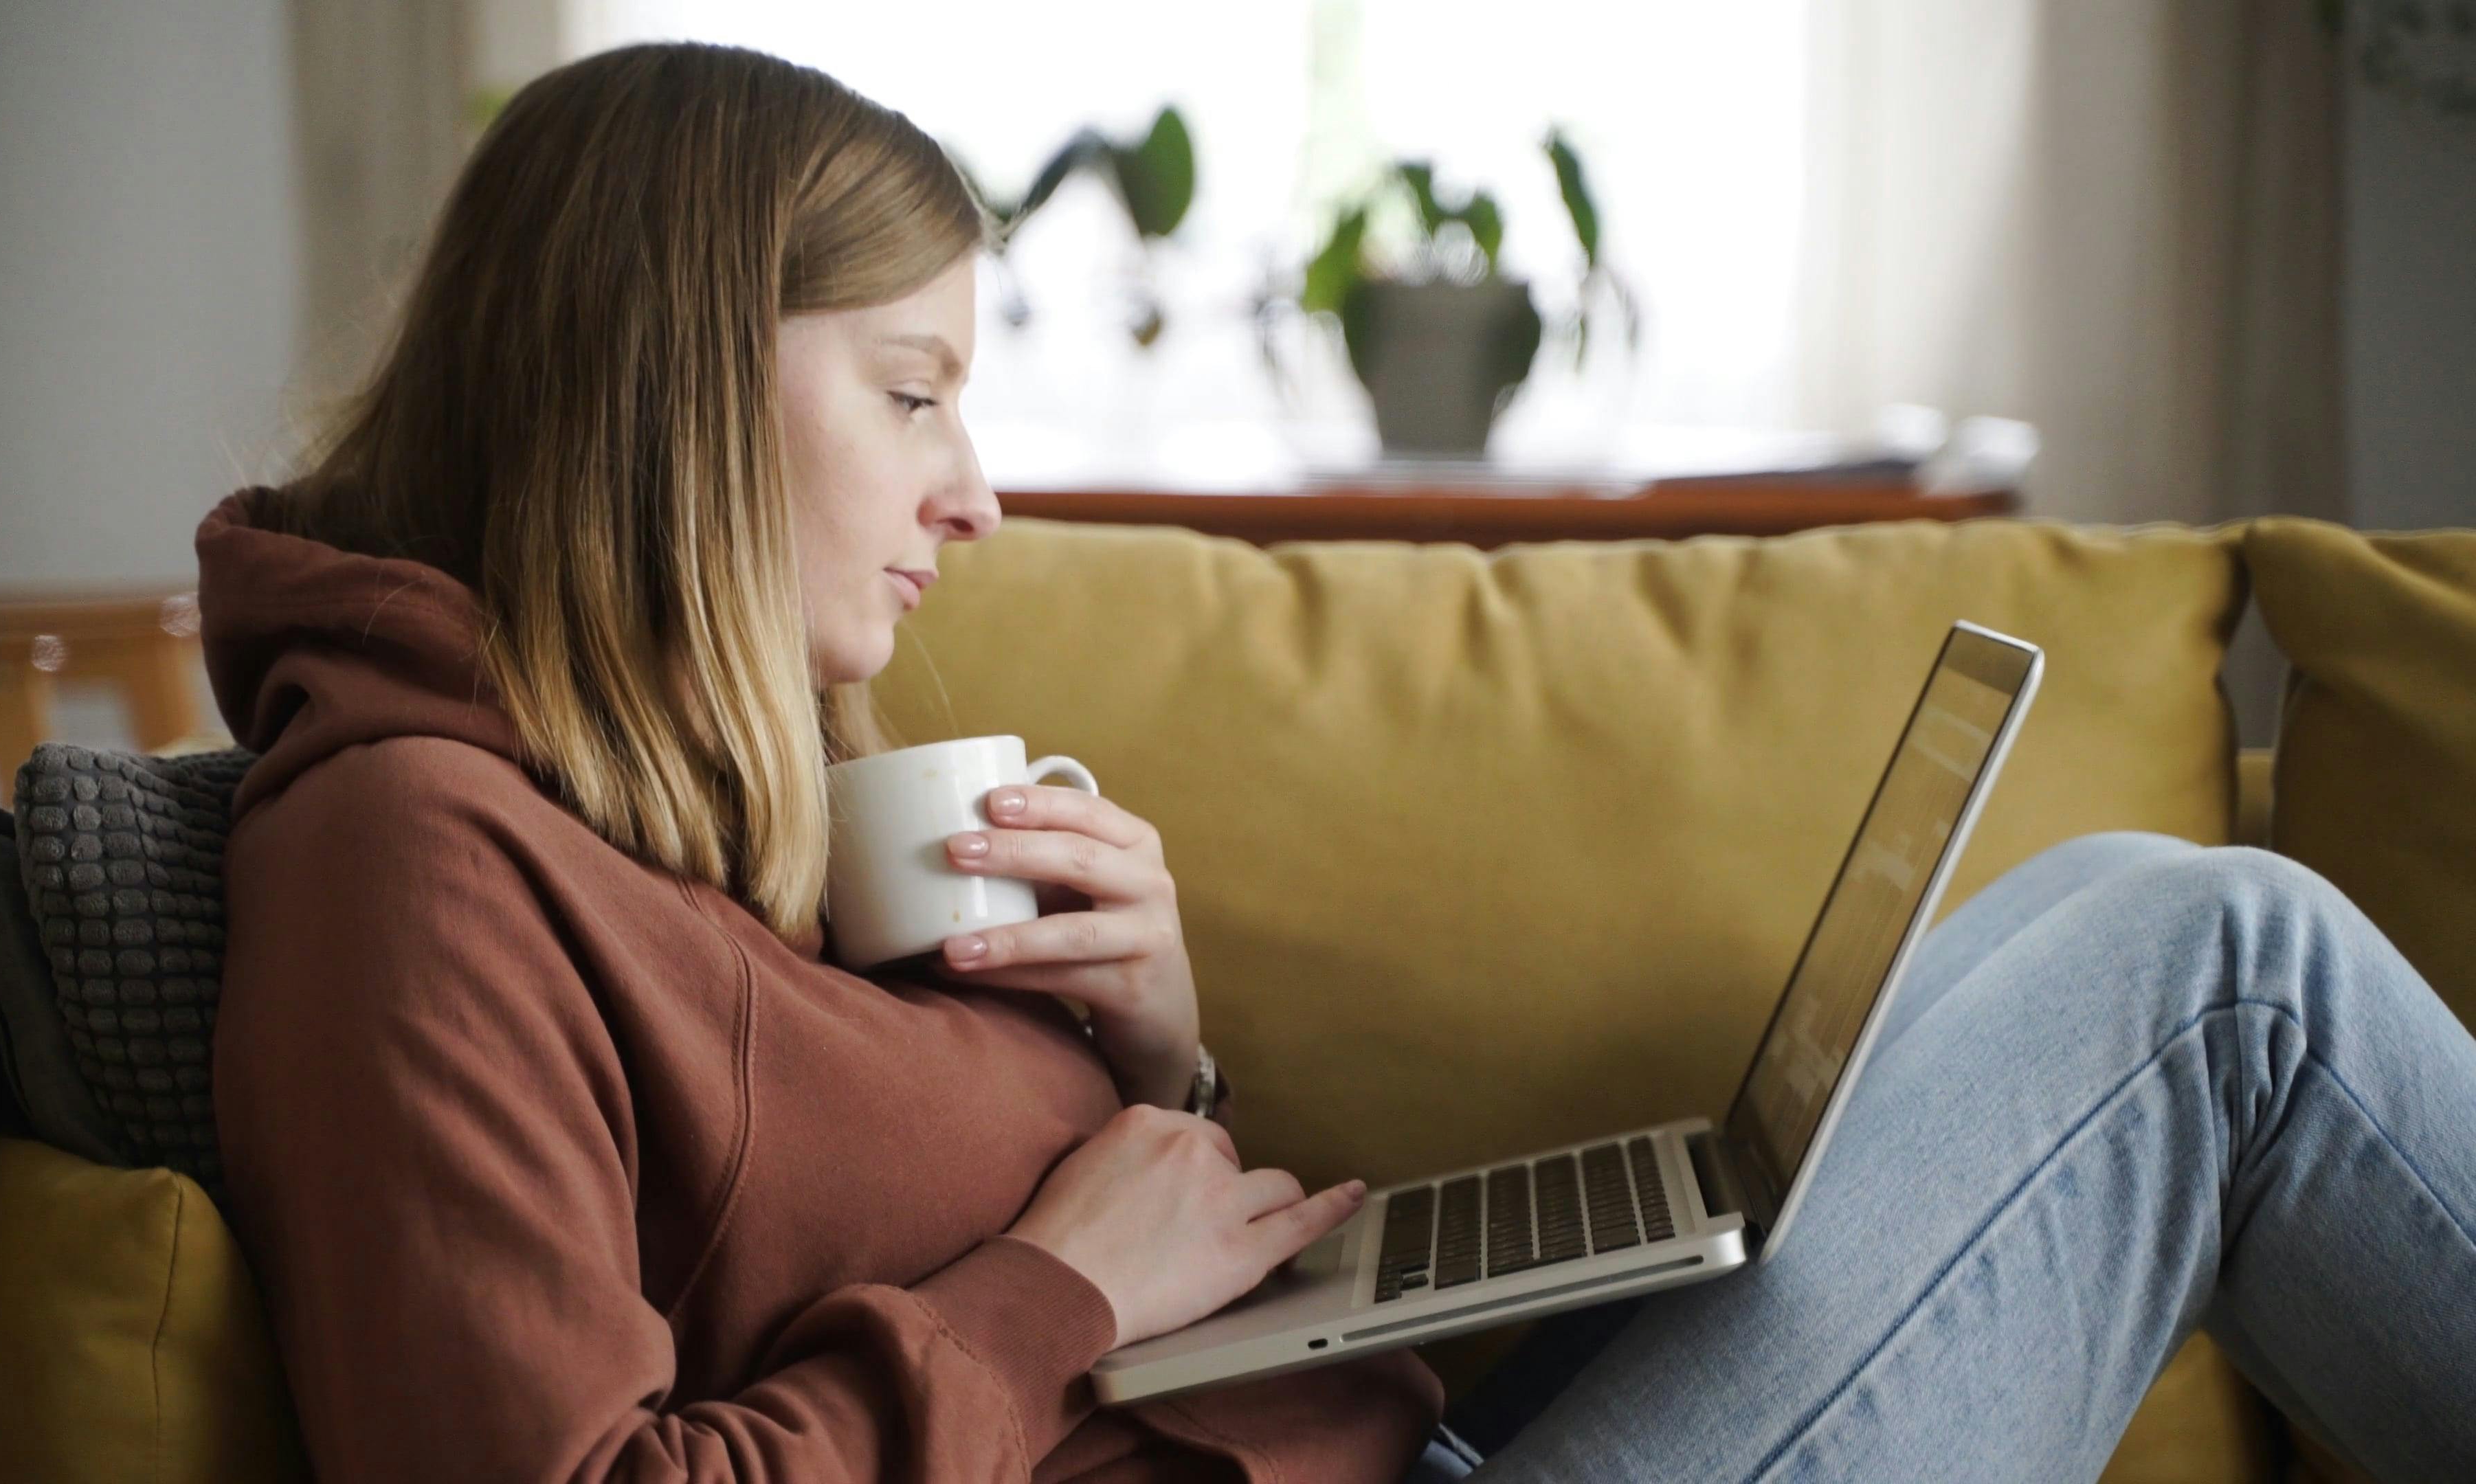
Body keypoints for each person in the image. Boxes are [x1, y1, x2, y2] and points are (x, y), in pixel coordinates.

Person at [199, 40, 2476, 1484]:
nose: (976, 494)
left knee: (2117, 909)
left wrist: (1157, 1071)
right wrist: (1055, 1293)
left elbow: (927, 1255)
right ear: (674, 395)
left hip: (1410, 1432)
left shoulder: (667, 802)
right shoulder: (417, 862)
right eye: (911, 394)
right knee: (2224, 981)